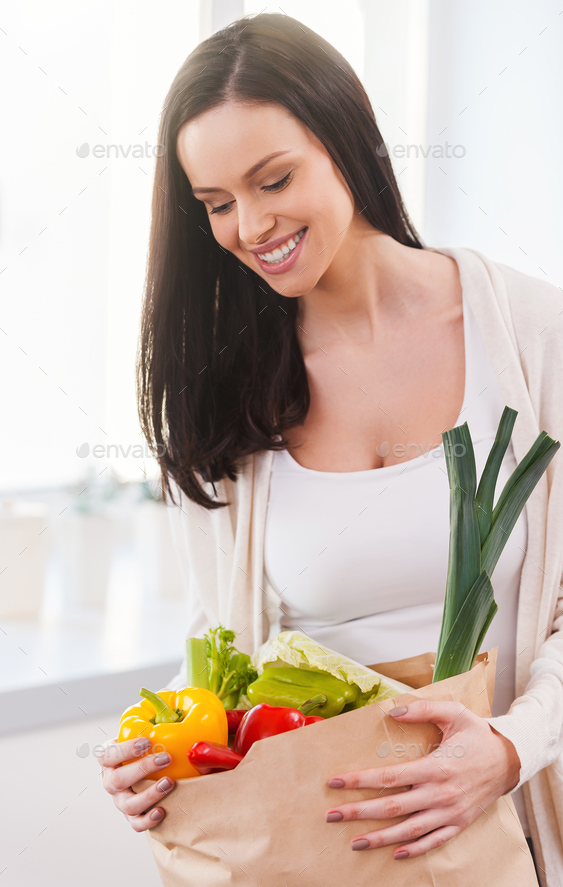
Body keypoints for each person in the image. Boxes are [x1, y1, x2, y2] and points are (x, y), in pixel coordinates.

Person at [101, 13, 563, 883]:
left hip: (507, 835)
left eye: (274, 179)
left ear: (348, 139)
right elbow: (230, 633)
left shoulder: (534, 340)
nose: (250, 224)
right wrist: (166, 740)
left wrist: (510, 744)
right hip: (319, 848)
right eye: (216, 204)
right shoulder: (227, 393)